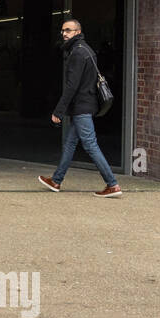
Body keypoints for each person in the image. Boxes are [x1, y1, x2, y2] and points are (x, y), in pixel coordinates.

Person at [38, 19, 123, 197]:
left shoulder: (77, 53)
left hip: (82, 106)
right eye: (62, 30)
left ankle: (112, 184)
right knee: (70, 143)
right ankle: (56, 180)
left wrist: (58, 111)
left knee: (90, 144)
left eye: (68, 30)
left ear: (77, 32)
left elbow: (72, 86)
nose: (64, 33)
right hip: (84, 104)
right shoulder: (86, 50)